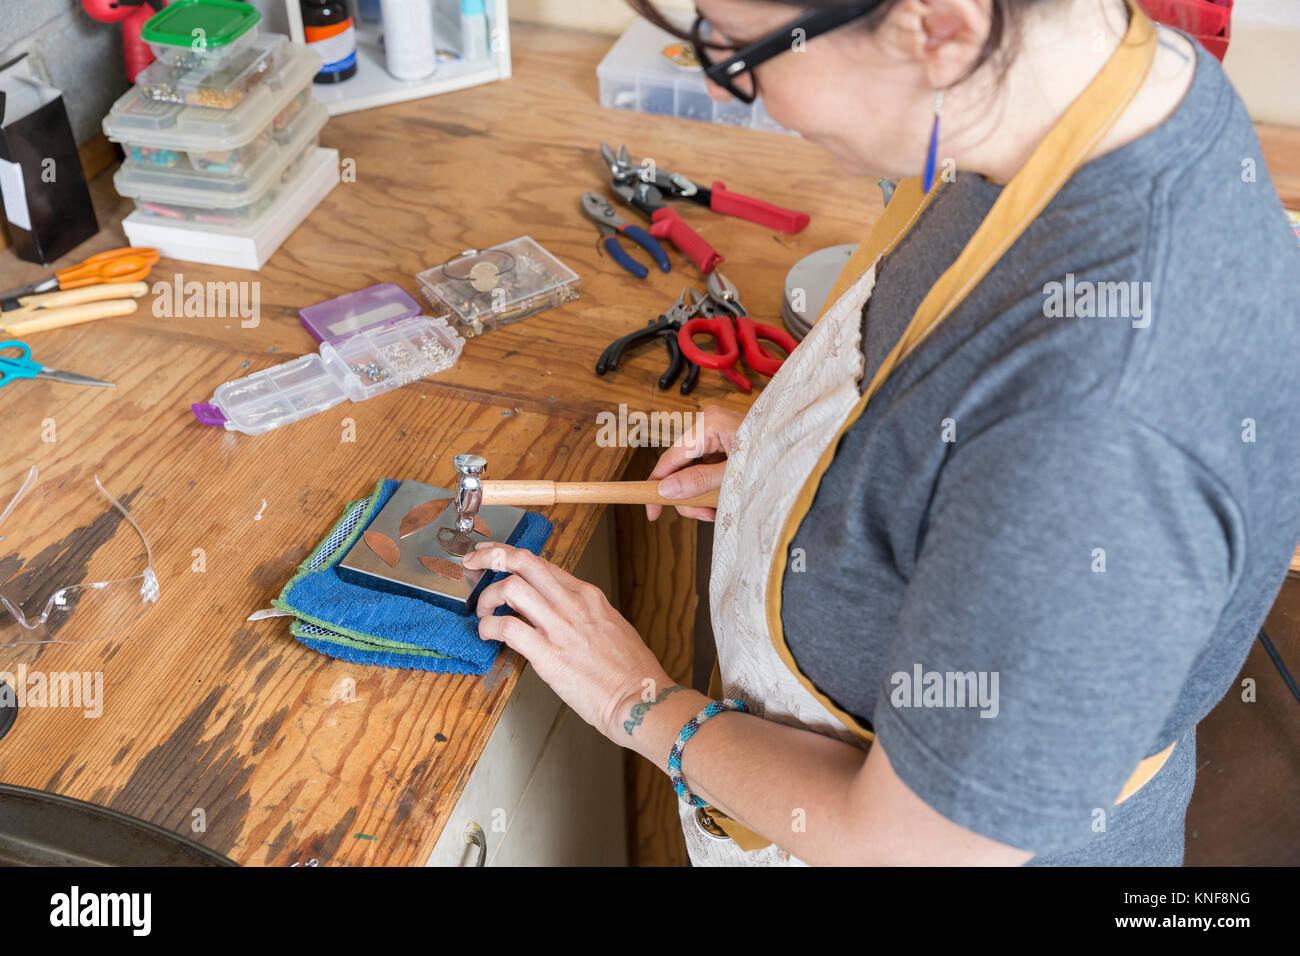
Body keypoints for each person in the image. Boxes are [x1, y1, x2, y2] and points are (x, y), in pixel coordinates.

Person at [463, 0, 1300, 865]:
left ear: (936, 26)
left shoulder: (1103, 423)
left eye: (737, 49)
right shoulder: (1091, 78)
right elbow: (969, 420)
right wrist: (839, 486)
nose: (744, 91)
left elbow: (909, 847)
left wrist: (634, 701)